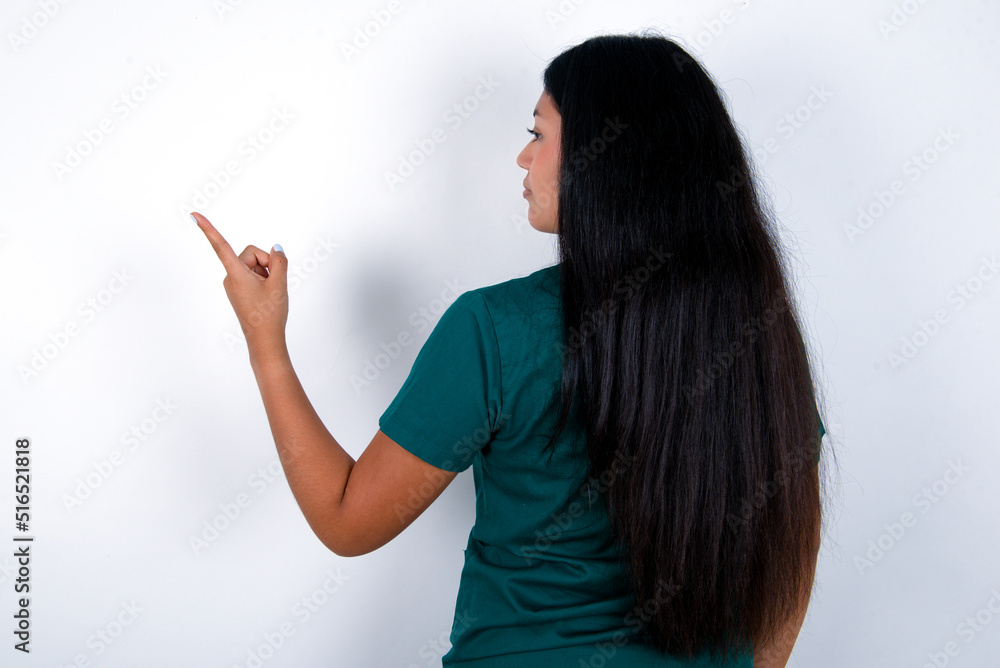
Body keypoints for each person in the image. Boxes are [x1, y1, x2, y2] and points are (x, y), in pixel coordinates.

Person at [195, 29, 831, 668]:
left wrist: (265, 342)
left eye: (537, 135)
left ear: (601, 156)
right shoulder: (757, 333)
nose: (523, 160)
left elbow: (345, 520)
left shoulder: (496, 328)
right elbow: (790, 560)